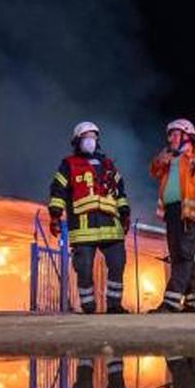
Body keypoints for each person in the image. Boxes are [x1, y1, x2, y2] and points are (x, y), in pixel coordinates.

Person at [48, 121, 131, 314]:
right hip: (83, 227)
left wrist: (125, 213)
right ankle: (88, 306)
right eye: (86, 138)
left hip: (112, 225)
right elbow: (58, 191)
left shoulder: (108, 164)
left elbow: (120, 191)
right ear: (77, 141)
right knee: (84, 268)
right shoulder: (68, 165)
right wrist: (55, 216)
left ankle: (114, 305)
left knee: (117, 264)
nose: (91, 141)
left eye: (94, 137)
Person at [149, 119, 195, 313]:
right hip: (171, 211)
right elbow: (153, 171)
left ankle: (171, 301)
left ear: (187, 134)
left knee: (184, 255)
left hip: (190, 212)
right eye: (169, 134)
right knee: (179, 253)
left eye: (174, 134)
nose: (170, 138)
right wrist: (162, 159)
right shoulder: (170, 157)